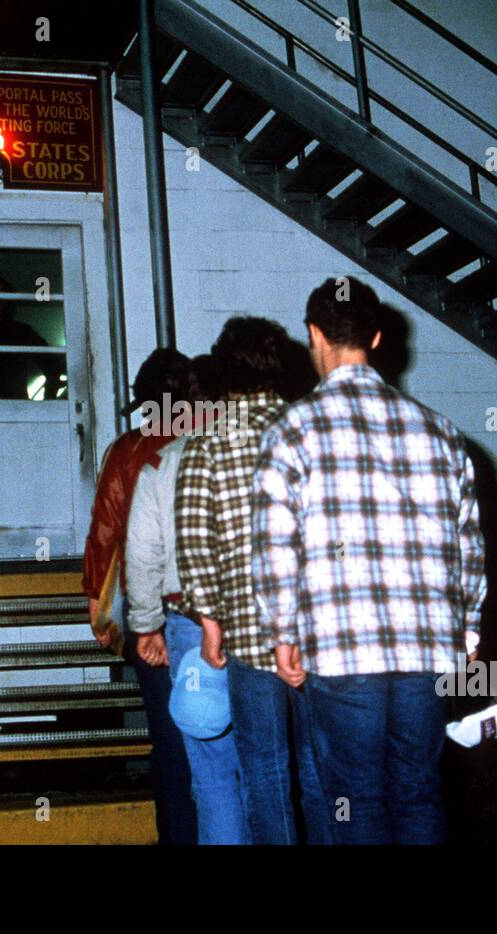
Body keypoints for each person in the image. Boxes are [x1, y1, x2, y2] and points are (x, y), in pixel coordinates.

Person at [252, 277, 487, 845]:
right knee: (418, 789)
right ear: (377, 337)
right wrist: (469, 627)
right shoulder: (440, 431)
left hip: (341, 644)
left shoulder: (291, 431)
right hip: (426, 642)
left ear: (314, 335)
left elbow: (274, 545)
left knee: (355, 798)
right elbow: (469, 544)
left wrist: (281, 632)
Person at [174, 318, 329, 845]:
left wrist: (210, 624)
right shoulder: (310, 428)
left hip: (247, 634)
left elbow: (195, 542)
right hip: (317, 634)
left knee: (265, 772)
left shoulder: (207, 440)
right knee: (320, 771)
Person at [127, 355, 252, 845]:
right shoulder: (267, 455)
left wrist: (145, 624)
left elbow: (141, 550)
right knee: (265, 767)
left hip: (188, 625)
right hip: (262, 622)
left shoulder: (162, 461)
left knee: (212, 771)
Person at [81, 348, 197, 845]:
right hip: (222, 611)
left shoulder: (128, 451)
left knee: (170, 742)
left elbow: (105, 534)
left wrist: (99, 607)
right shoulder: (219, 442)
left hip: (153, 617)